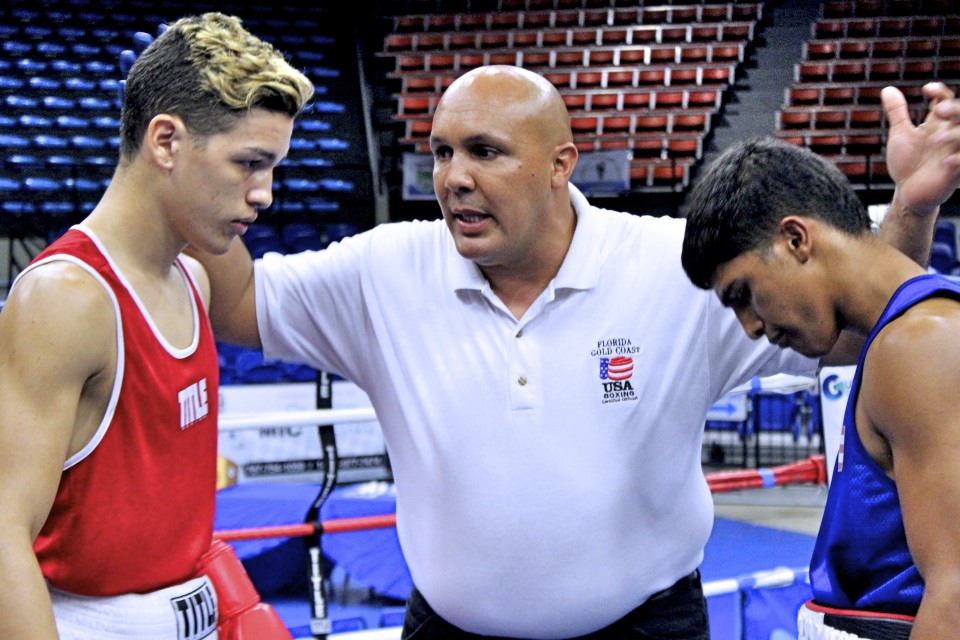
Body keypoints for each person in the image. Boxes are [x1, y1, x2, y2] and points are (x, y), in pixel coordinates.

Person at [193, 65, 960, 639]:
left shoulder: (674, 265)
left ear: (562, 164)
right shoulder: (384, 268)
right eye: (442, 153)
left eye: (485, 152)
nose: (455, 177)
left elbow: (859, 328)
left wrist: (913, 209)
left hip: (648, 626)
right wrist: (212, 177)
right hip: (450, 631)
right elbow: (234, 304)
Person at [0, 13, 313, 640]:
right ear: (165, 141)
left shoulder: (193, 280)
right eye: (249, 163)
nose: (265, 194)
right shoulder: (66, 299)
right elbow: (3, 529)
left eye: (272, 166)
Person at [680, 134, 960, 639]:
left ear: (795, 240)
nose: (750, 327)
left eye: (744, 294)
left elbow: (956, 594)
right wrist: (912, 209)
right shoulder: (902, 336)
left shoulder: (919, 345)